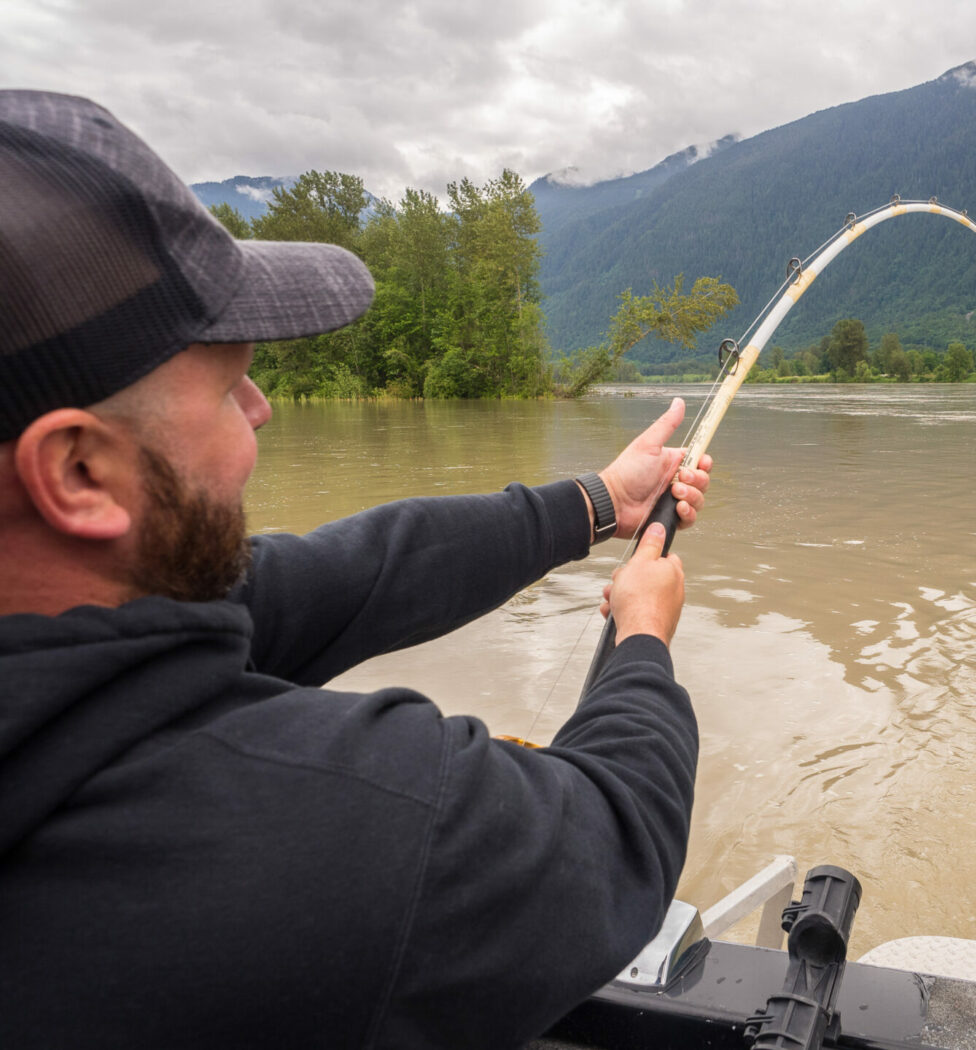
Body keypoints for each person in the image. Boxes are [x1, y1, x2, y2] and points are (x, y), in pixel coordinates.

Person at [0, 90, 712, 1047]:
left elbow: (356, 573)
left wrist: (597, 505)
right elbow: (616, 835)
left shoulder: (71, 632)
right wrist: (641, 637)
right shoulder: (345, 830)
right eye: (226, 383)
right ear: (78, 471)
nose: (261, 410)